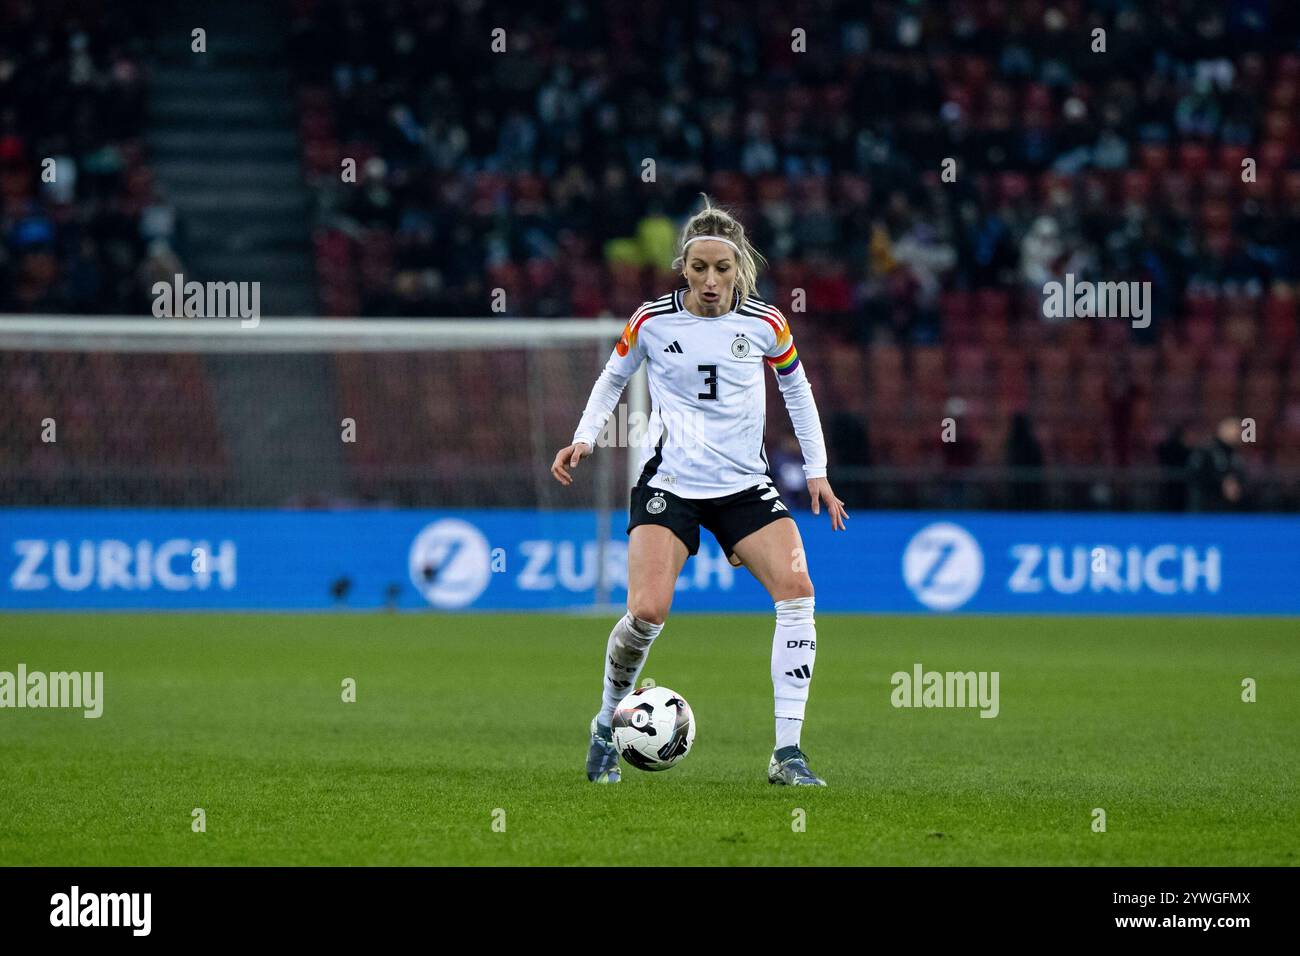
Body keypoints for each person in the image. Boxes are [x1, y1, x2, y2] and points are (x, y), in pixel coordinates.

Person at [550, 196, 849, 787]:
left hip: (745, 487)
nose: (712, 281)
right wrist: (584, 438)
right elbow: (614, 375)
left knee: (798, 592)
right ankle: (608, 722)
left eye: (723, 268)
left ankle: (787, 753)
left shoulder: (767, 324)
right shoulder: (651, 321)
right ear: (683, 270)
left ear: (739, 270)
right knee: (647, 611)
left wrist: (817, 468)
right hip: (672, 485)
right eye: (700, 268)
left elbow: (798, 391)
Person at [1187, 417, 1246, 511]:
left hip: (1229, 508)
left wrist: (1236, 485)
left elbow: (1240, 475)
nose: (1238, 433)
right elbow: (1195, 475)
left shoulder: (1235, 453)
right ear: (1223, 430)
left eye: (1239, 430)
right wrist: (1221, 483)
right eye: (1234, 429)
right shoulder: (1206, 450)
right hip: (1206, 507)